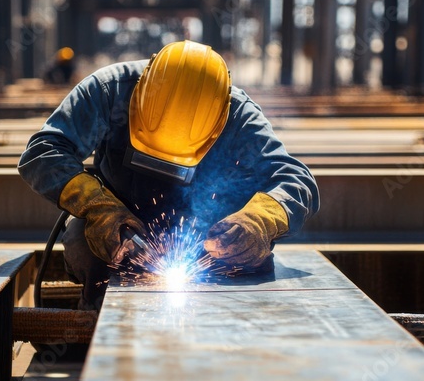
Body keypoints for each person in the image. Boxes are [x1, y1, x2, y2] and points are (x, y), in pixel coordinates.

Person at [19, 40, 319, 310]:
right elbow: (43, 152)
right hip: (122, 230)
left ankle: (230, 331)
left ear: (216, 123)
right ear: (140, 95)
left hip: (206, 240)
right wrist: (98, 207)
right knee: (81, 241)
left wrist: (259, 220)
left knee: (246, 261)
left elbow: (295, 179)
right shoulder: (110, 91)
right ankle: (97, 317)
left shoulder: (237, 115)